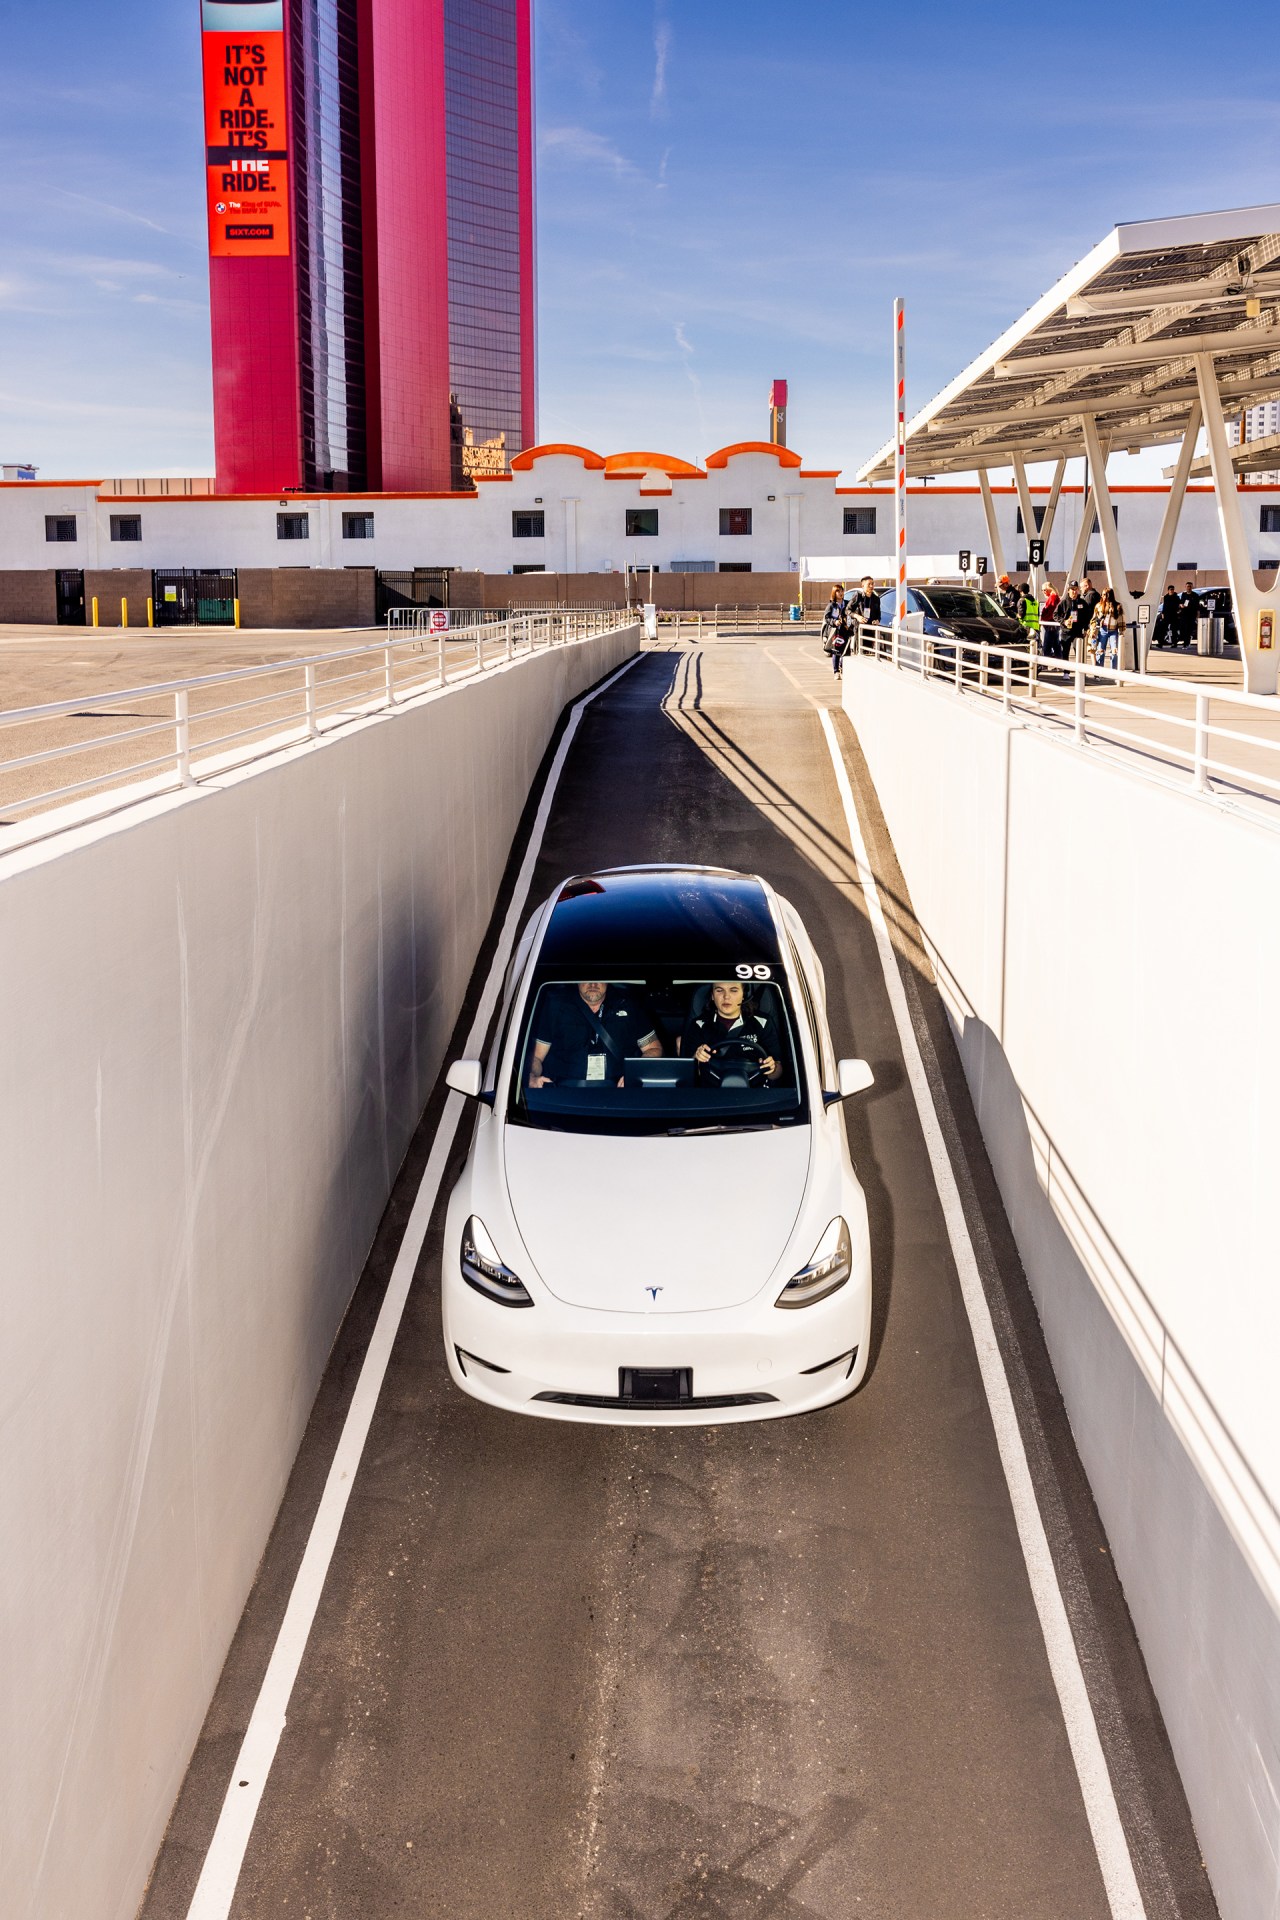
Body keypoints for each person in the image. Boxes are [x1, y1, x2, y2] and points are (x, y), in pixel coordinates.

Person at [528, 980, 661, 1087]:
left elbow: (654, 1049)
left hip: (617, 1092)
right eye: (586, 978)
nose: (593, 984)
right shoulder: (556, 1007)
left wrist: (635, 1074)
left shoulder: (627, 1006)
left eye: (599, 978)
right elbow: (536, 1057)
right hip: (564, 1092)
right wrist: (532, 1077)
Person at [680, 980, 783, 1087]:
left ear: (744, 995)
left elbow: (777, 1074)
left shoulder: (762, 1023)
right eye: (719, 990)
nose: (726, 997)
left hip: (753, 1093)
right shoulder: (699, 1025)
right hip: (710, 1093)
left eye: (733, 990)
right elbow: (688, 1074)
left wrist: (772, 1068)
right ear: (712, 996)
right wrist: (697, 1057)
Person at [1093, 588, 1125, 670]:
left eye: (1106, 595)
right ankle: (1099, 671)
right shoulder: (1099, 606)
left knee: (1114, 651)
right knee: (1100, 651)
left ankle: (1113, 671)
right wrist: (1094, 628)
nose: (1104, 596)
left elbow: (1121, 620)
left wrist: (1121, 632)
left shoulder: (1117, 606)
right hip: (1102, 630)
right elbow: (1094, 618)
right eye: (1103, 594)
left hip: (1113, 630)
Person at [1057, 580, 1086, 660]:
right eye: (1072, 589)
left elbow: (1087, 616)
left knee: (1079, 652)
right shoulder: (1063, 602)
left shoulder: (1082, 602)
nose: (1074, 591)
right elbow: (1055, 615)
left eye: (1076, 589)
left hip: (1078, 631)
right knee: (1065, 652)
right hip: (1066, 631)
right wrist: (1064, 621)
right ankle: (1066, 672)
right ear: (1068, 590)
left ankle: (1080, 671)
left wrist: (1086, 628)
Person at [1153, 584, 1179, 650]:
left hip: (1174, 615)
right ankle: (1161, 643)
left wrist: (1178, 611)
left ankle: (1174, 643)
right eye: (1170, 589)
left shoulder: (1176, 597)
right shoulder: (1166, 597)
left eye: (1172, 589)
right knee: (1163, 629)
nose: (1172, 591)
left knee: (1174, 630)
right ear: (1168, 590)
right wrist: (1163, 614)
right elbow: (1164, 606)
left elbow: (1179, 605)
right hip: (1167, 615)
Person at [1040, 580, 1061, 658]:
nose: (1043, 592)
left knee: (1047, 646)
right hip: (1051, 624)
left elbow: (1051, 611)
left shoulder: (1052, 598)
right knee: (1056, 645)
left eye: (1044, 590)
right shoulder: (1054, 597)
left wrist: (1044, 620)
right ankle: (1060, 663)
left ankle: (1045, 664)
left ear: (1049, 589)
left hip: (1050, 624)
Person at [1177, 581, 1201, 648]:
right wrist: (1181, 605)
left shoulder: (1195, 595)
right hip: (1184, 614)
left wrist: (1197, 615)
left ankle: (1186, 643)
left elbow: (1197, 606)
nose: (1189, 588)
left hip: (1191, 614)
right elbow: (1181, 602)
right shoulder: (1183, 594)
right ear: (1185, 587)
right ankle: (1185, 640)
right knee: (1183, 629)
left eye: (1190, 586)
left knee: (1188, 629)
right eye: (1187, 586)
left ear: (1192, 587)